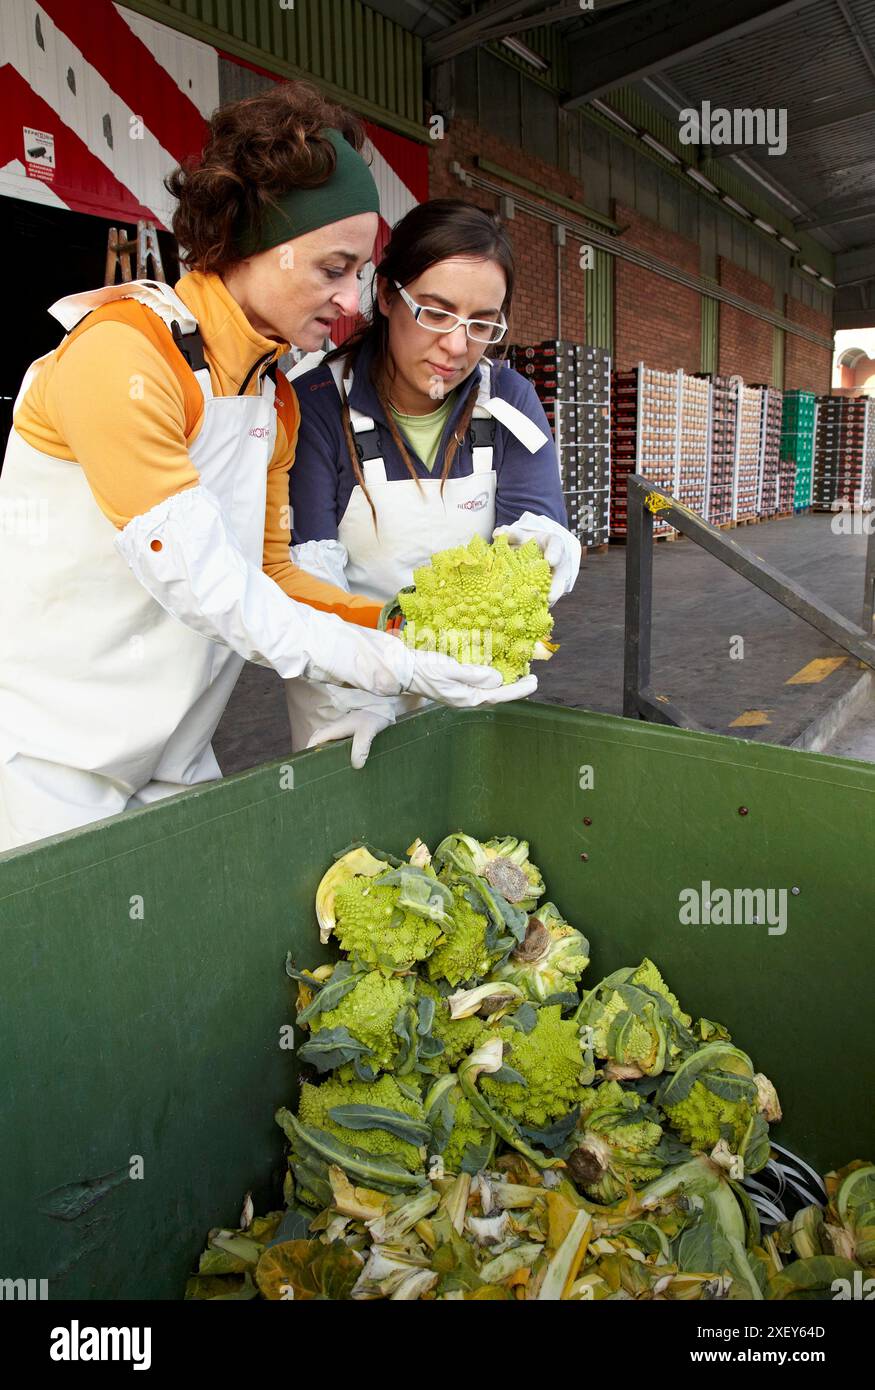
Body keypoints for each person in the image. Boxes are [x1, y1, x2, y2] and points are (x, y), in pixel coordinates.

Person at [0, 85, 534, 854]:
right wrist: (386, 667)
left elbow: (272, 573)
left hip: (171, 757)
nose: (352, 302)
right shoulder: (125, 357)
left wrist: (403, 625)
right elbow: (209, 585)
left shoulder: (269, 394)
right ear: (250, 242)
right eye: (333, 268)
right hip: (48, 766)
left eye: (360, 272)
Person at [285, 199, 581, 766]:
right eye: (436, 313)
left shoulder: (509, 402)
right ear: (389, 296)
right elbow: (303, 581)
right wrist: (369, 688)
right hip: (347, 695)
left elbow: (539, 523)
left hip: (470, 684)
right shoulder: (318, 408)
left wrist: (540, 551)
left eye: (482, 324)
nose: (456, 345)